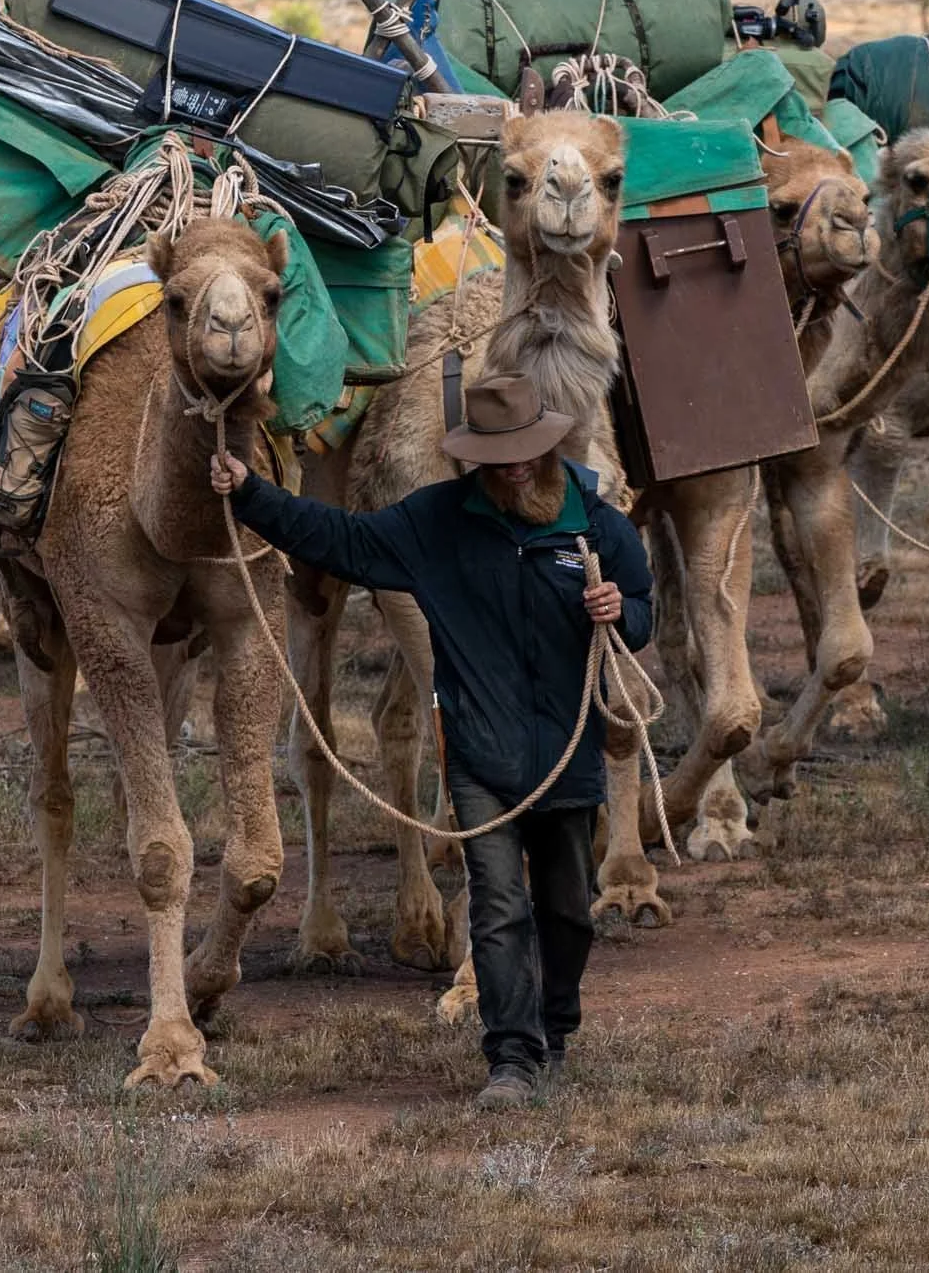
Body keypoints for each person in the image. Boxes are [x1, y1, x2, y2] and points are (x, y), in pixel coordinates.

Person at [209, 371, 653, 1111]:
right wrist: (252, 494)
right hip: (479, 753)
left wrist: (622, 612)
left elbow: (643, 606)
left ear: (548, 446)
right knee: (499, 906)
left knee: (569, 911)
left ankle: (555, 1031)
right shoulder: (439, 523)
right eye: (500, 457)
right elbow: (341, 538)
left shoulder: (596, 527)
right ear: (475, 459)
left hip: (566, 754)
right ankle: (511, 1059)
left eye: (528, 452)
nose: (517, 468)